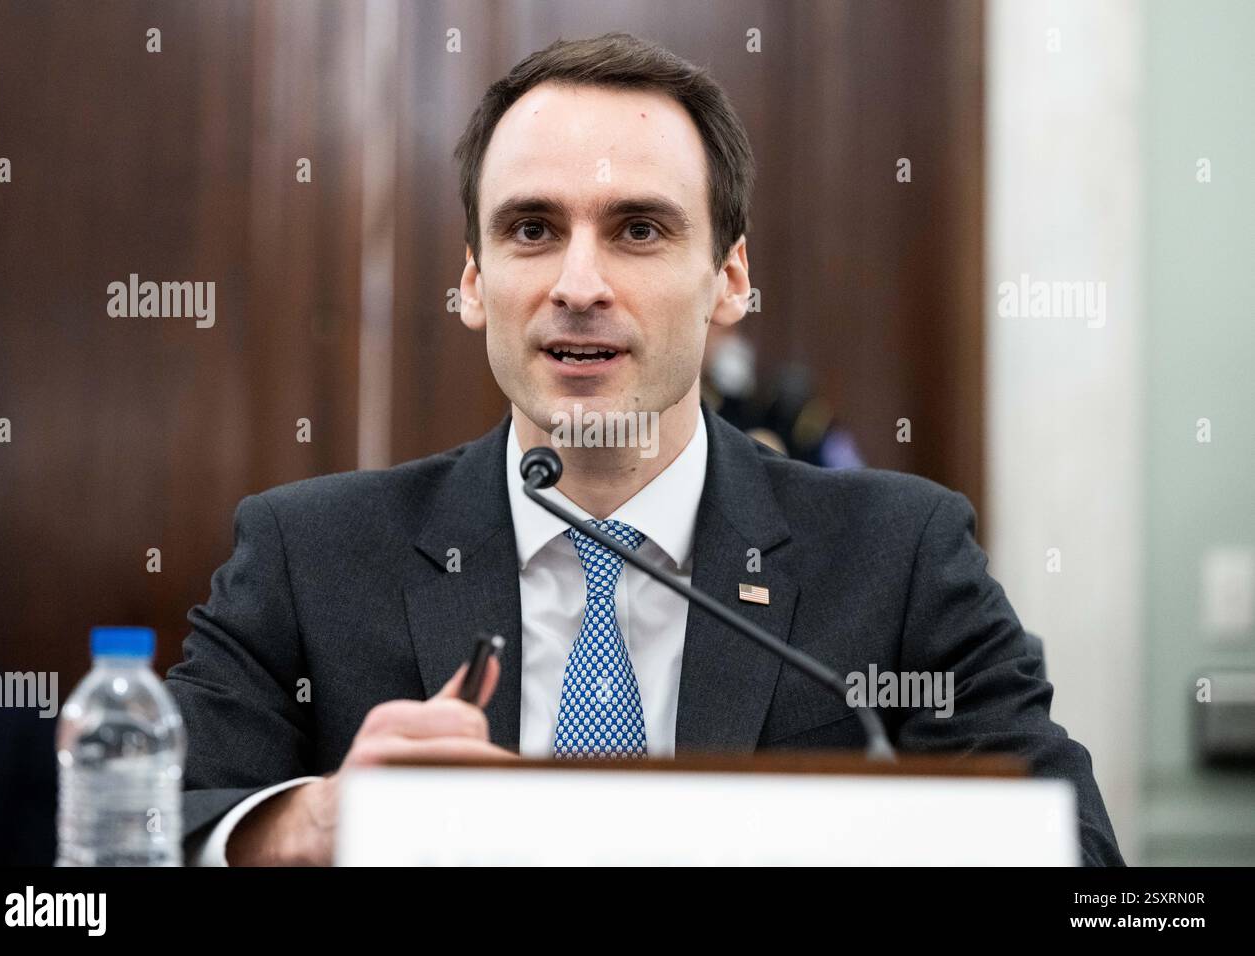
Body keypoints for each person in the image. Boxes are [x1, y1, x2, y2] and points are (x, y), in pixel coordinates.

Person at [165, 32, 1123, 866]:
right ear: (471, 282)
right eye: (533, 229)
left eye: (638, 230)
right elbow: (104, 863)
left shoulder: (898, 556)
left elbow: (1083, 865)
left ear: (729, 280)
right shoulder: (309, 555)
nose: (580, 283)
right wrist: (298, 825)